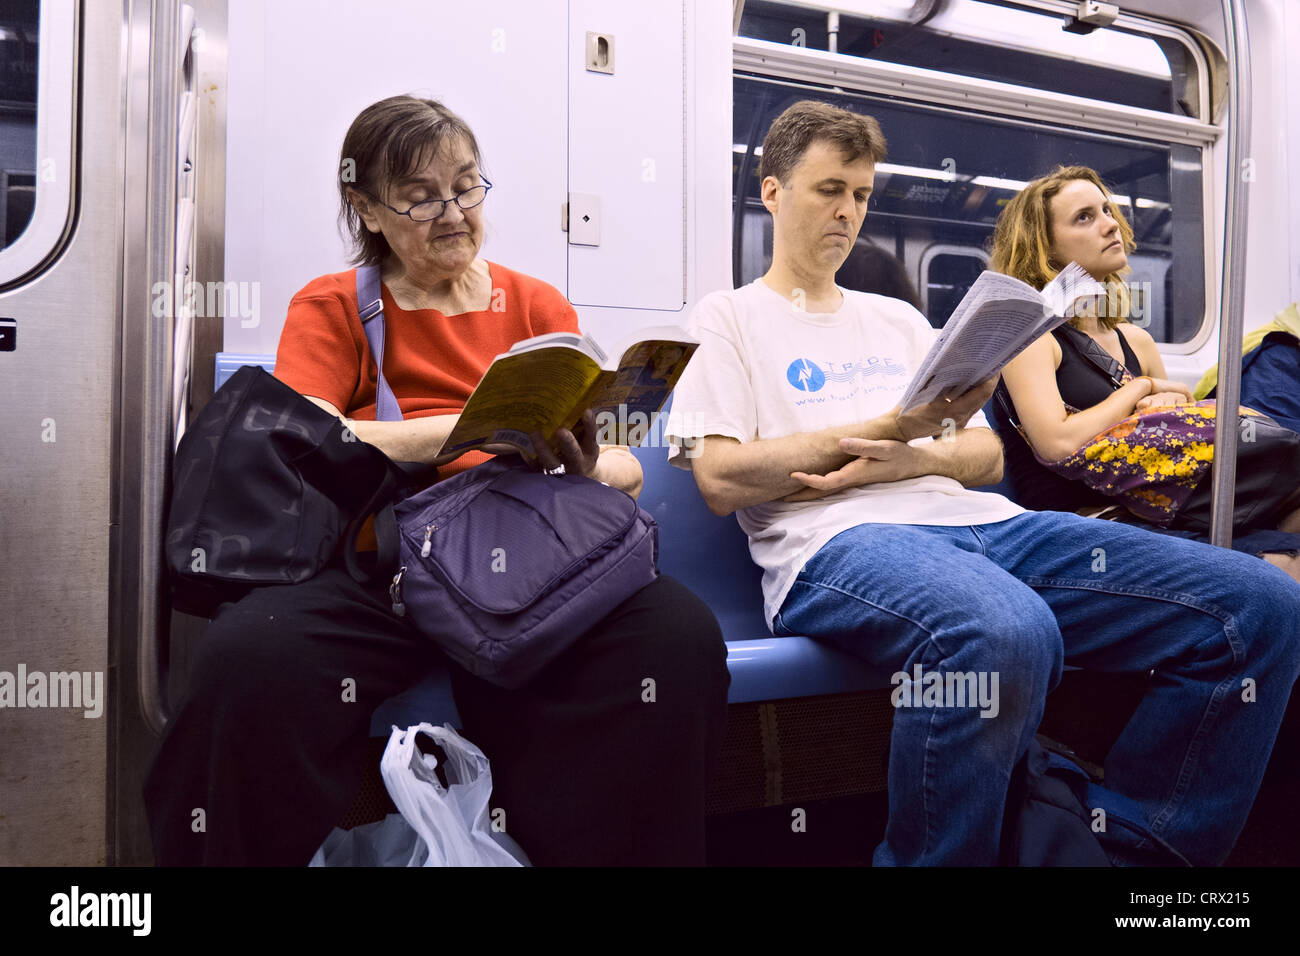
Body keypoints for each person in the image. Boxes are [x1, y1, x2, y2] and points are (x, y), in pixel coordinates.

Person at [665, 99, 1300, 866]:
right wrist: (886, 435)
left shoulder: (898, 319)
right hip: (837, 545)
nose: (848, 212)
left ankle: (1132, 850)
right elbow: (721, 477)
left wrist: (920, 458)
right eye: (828, 189)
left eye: (862, 195)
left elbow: (987, 459)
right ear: (772, 192)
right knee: (1005, 634)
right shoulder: (726, 318)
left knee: (1261, 607)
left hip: (984, 522)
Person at [143, 95, 730, 866]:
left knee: (675, 641)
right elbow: (309, 436)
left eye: (466, 186)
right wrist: (463, 431)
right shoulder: (333, 304)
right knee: (250, 660)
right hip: (380, 570)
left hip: (528, 561)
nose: (453, 212)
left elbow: (622, 467)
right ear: (368, 209)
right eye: (421, 196)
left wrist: (585, 458)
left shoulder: (531, 302)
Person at [991, 165, 1300, 581]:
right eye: (1085, 217)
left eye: (1107, 210)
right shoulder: (1031, 338)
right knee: (1282, 568)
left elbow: (1178, 422)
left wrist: (1167, 397)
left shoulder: (1136, 341)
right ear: (1043, 247)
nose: (1110, 224)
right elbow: (1057, 444)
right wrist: (1142, 388)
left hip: (1168, 505)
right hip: (1088, 522)